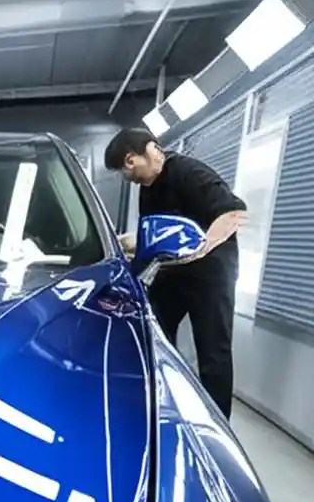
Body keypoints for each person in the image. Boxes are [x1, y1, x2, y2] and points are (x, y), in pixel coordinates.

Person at [104, 128, 248, 419]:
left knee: (212, 351)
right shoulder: (149, 190)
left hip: (210, 274)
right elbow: (159, 233)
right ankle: (161, 402)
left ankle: (217, 423)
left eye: (122, 169)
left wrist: (200, 250)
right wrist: (122, 244)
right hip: (175, 272)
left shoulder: (188, 172)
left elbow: (233, 213)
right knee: (152, 327)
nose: (125, 177)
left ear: (131, 159)